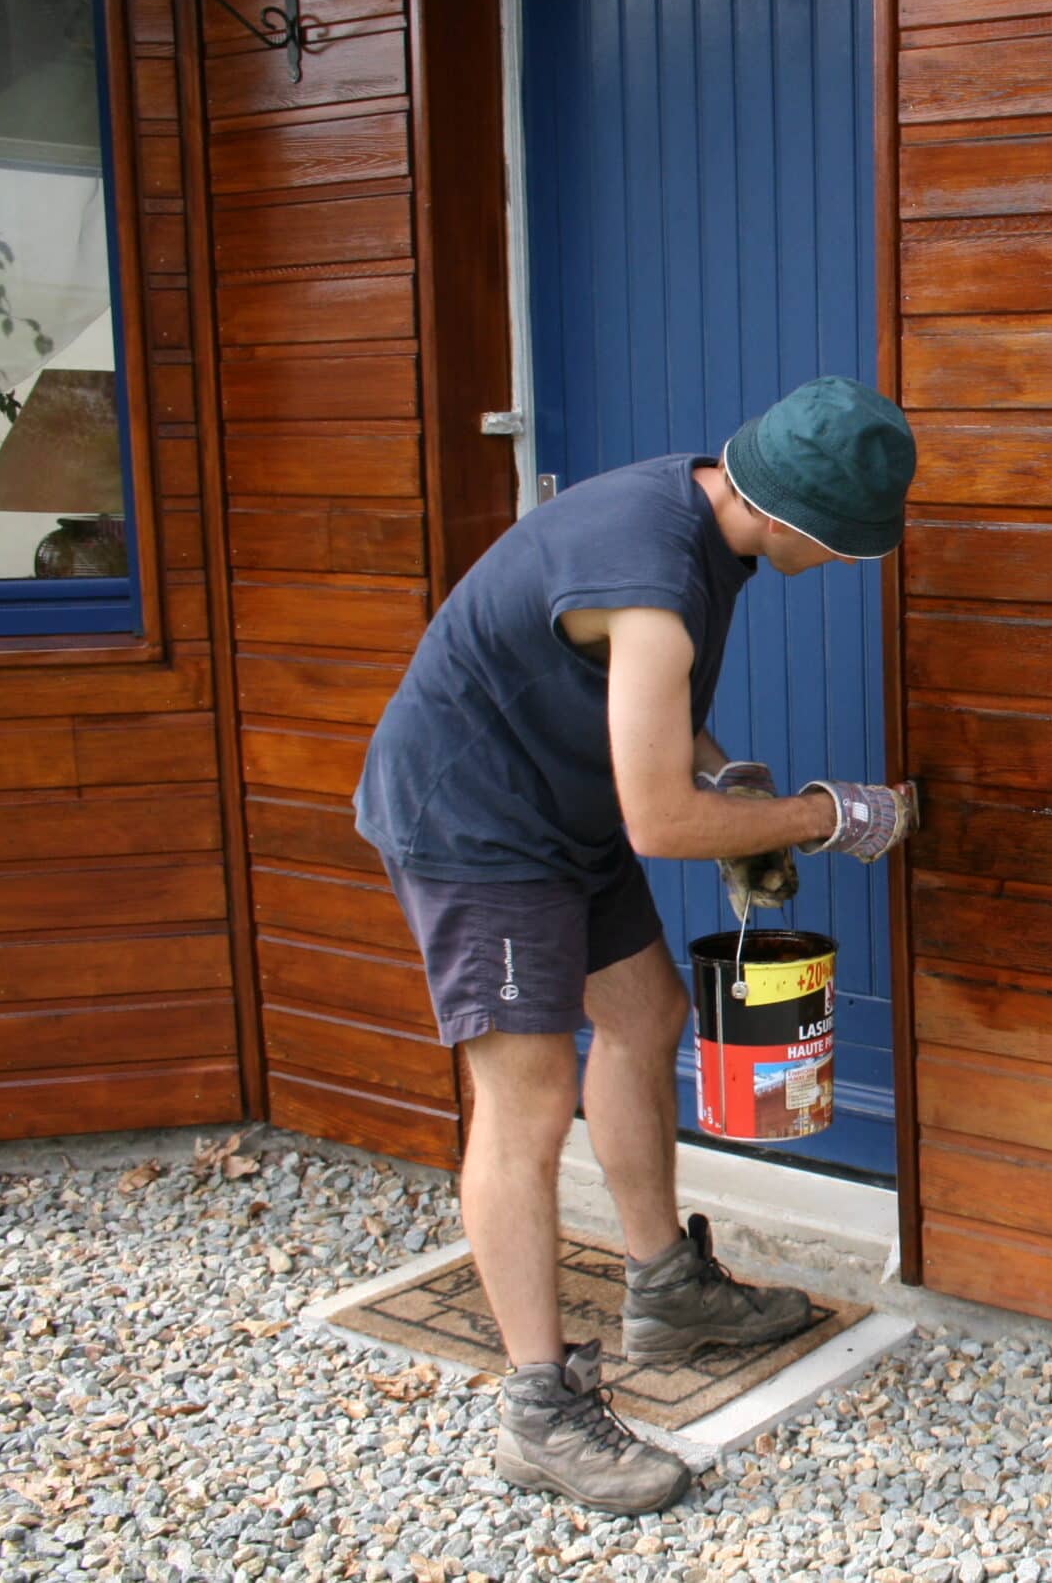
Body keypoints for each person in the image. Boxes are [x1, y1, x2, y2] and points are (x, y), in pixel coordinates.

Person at [353, 377, 918, 1513]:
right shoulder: (658, 578)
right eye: (850, 549)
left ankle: (664, 1286)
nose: (852, 568)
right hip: (476, 823)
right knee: (524, 1094)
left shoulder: (697, 517)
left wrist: (723, 781)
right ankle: (537, 1411)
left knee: (647, 1015)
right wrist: (828, 814)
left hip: (566, 805)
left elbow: (652, 733)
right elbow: (660, 822)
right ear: (801, 523)